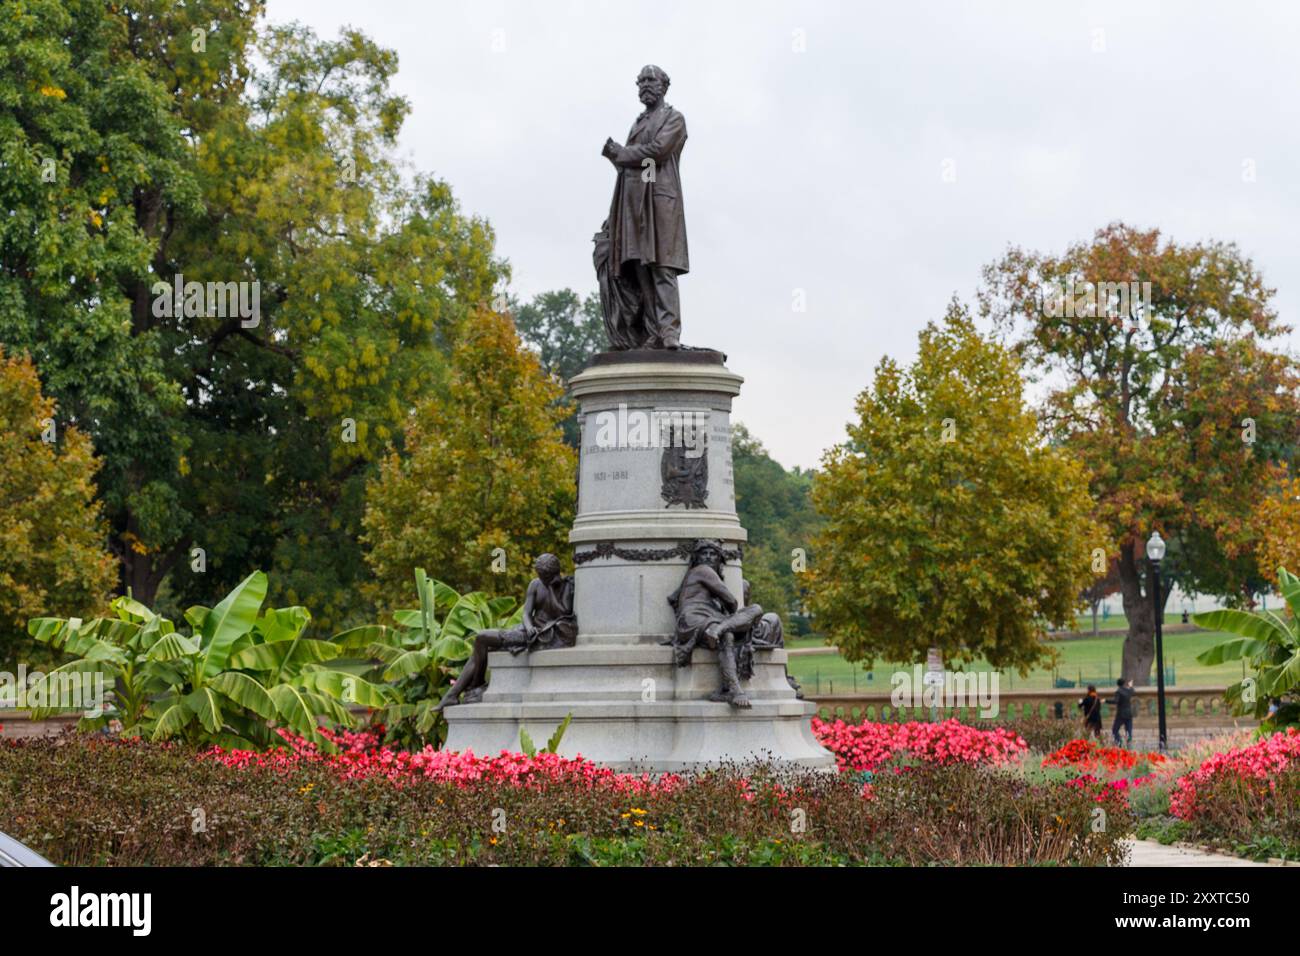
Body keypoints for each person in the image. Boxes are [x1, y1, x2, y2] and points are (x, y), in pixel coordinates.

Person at [598, 64, 689, 350]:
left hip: (659, 201)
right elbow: (632, 165)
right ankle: (652, 331)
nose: (645, 85)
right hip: (632, 204)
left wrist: (621, 153)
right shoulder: (637, 123)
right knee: (640, 267)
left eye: (651, 80)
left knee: (662, 265)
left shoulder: (674, 118)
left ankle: (669, 331)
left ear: (664, 85)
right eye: (641, 81)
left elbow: (658, 151)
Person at [435, 554, 576, 709]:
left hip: (539, 635)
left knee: (482, 638)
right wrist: (529, 627)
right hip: (526, 631)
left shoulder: (566, 586)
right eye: (540, 575)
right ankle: (459, 692)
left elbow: (563, 611)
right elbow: (526, 613)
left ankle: (461, 691)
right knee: (481, 642)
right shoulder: (535, 584)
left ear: (553, 574)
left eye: (544, 576)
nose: (541, 579)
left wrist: (551, 588)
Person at [666, 539, 762, 708]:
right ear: (696, 558)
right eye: (704, 553)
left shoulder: (699, 574)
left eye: (713, 554)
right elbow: (731, 601)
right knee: (745, 618)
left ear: (719, 559)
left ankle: (719, 629)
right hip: (694, 618)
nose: (708, 557)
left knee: (753, 611)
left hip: (706, 619)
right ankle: (735, 689)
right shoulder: (703, 570)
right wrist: (731, 615)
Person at [1108, 678, 1136, 746]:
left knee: (1115, 730)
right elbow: (1132, 691)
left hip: (1121, 714)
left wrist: (1106, 700)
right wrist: (1130, 685)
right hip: (1129, 713)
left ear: (1117, 684)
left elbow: (1115, 701)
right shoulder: (1128, 691)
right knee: (1128, 730)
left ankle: (1119, 741)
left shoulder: (1118, 692)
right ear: (1124, 683)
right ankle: (1129, 743)